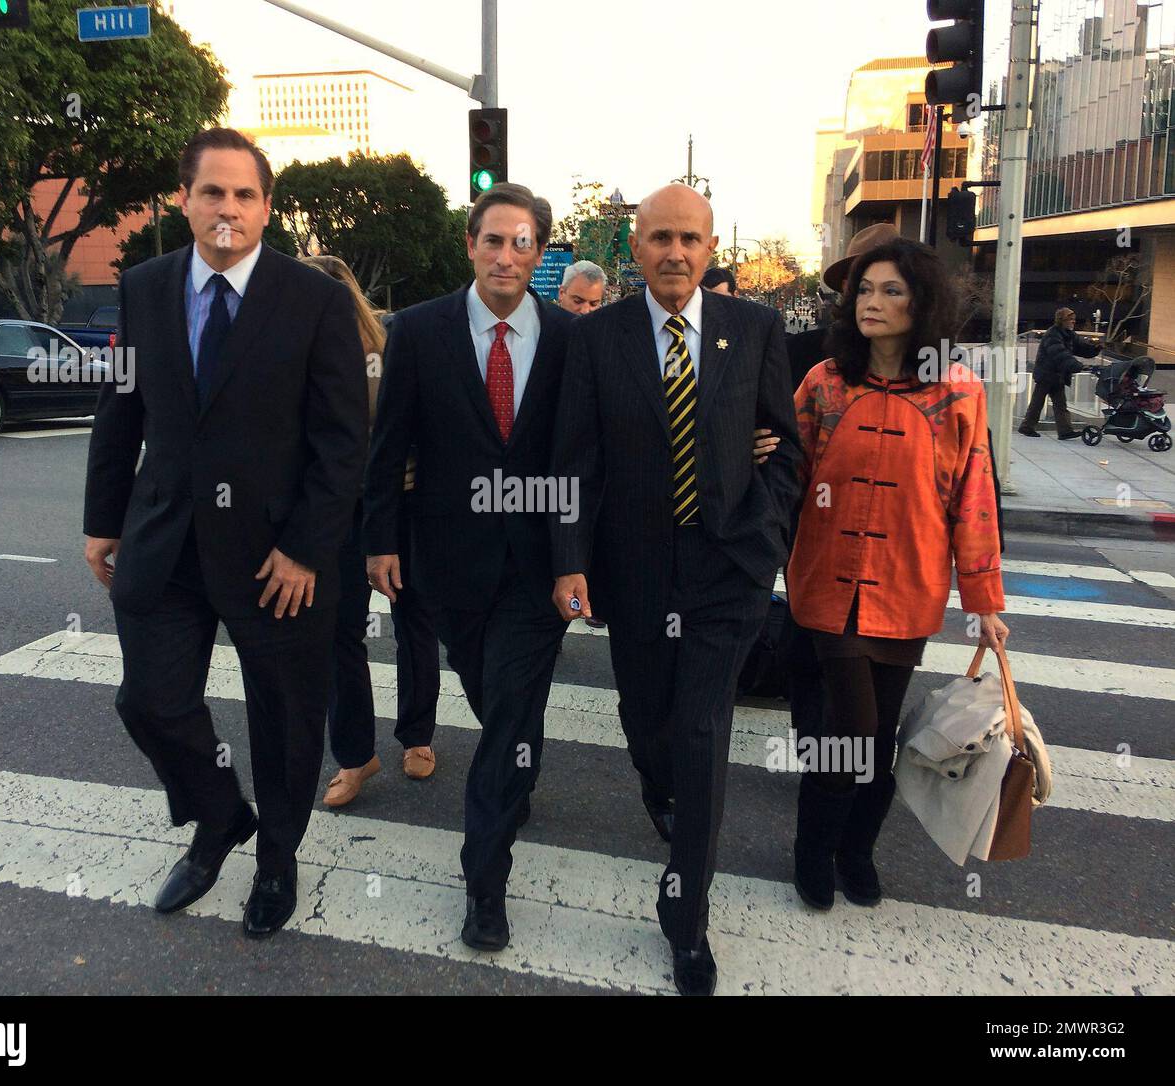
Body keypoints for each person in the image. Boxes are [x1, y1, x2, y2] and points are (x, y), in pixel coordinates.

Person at [82, 128, 369, 938]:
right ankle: (218, 815)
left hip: (278, 557)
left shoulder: (312, 299)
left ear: (267, 208)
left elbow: (344, 438)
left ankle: (276, 858)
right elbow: (122, 410)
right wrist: (102, 522)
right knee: (151, 702)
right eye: (213, 192)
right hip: (166, 542)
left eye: (245, 195)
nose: (228, 209)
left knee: (283, 722)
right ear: (185, 199)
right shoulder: (143, 287)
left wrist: (309, 547)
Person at [551, 183, 802, 996]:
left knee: (701, 736)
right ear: (636, 247)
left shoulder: (756, 328)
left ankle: (686, 918)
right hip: (634, 573)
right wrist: (570, 559)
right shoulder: (600, 340)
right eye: (659, 238)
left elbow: (786, 451)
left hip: (726, 573)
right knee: (644, 719)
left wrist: (763, 540)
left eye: (689, 239)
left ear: (709, 244)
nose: (675, 253)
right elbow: (575, 461)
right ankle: (658, 787)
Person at [364, 183, 573, 954]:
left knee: (509, 713)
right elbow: (389, 448)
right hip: (446, 560)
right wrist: (378, 540)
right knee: (492, 697)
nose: (507, 256)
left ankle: (485, 884)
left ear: (539, 256)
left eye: (523, 244)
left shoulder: (568, 338)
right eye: (494, 240)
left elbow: (583, 453)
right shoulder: (416, 332)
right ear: (470, 246)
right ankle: (518, 765)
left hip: (538, 568)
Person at [786, 237, 1009, 914]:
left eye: (891, 291)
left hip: (906, 587)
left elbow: (973, 499)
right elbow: (786, 478)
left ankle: (855, 851)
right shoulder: (824, 383)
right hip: (828, 584)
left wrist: (985, 600)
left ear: (923, 303)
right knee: (854, 727)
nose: (872, 303)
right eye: (863, 290)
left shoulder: (958, 392)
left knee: (876, 739)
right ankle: (813, 853)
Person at [302, 255, 441, 808]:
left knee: (414, 621)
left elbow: (426, 426)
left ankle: (418, 735)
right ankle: (356, 756)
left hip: (400, 506)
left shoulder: (388, 345)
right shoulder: (292, 352)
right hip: (334, 512)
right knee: (339, 632)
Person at [1018, 306, 1100, 440]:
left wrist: (1095, 349)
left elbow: (1081, 348)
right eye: (1070, 319)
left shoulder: (1068, 334)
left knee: (1058, 403)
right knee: (1039, 402)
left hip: (1057, 375)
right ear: (1062, 320)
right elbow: (1060, 355)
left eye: (1074, 319)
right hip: (1046, 374)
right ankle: (1030, 427)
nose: (1073, 322)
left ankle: (1063, 431)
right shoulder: (1053, 334)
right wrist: (1079, 366)